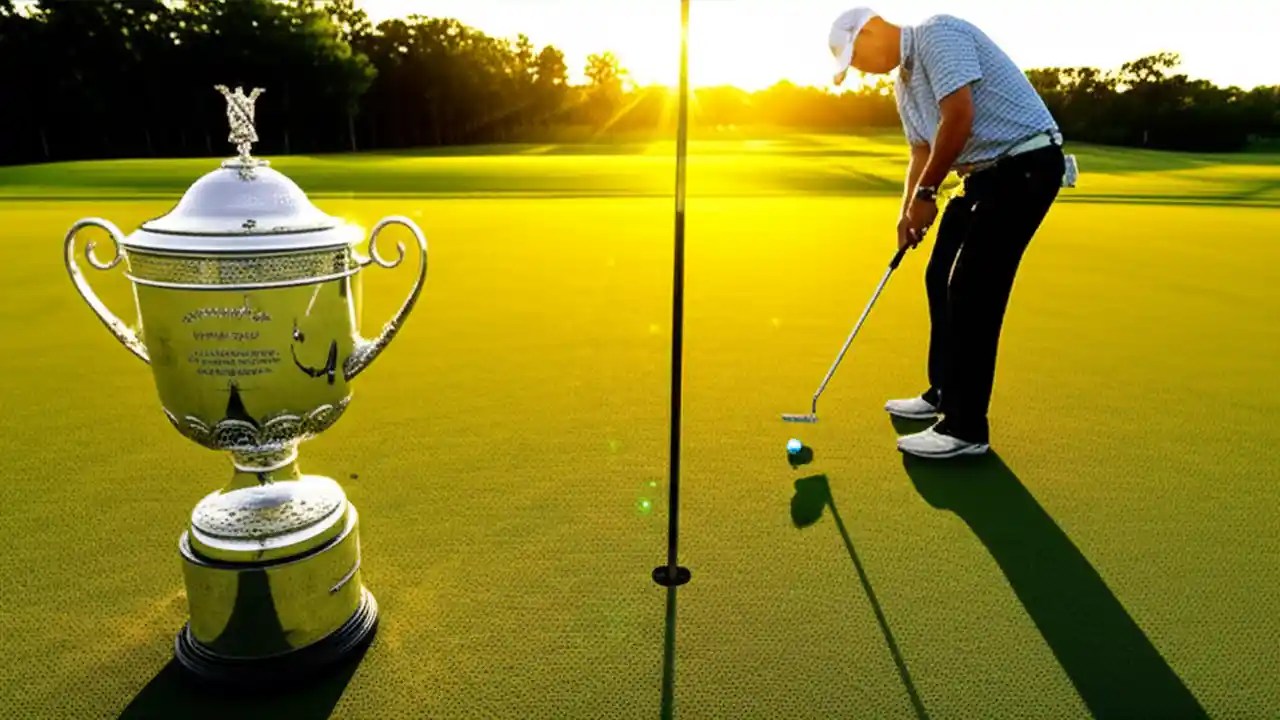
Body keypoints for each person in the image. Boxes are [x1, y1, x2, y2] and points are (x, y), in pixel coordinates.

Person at [828, 7, 1068, 459]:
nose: (860, 71)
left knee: (974, 289)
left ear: (872, 30)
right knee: (938, 275)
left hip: (1025, 167)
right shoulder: (902, 83)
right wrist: (908, 212)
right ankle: (944, 390)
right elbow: (921, 148)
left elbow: (958, 117)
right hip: (982, 177)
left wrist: (929, 193)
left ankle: (965, 427)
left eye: (856, 59)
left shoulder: (938, 35)